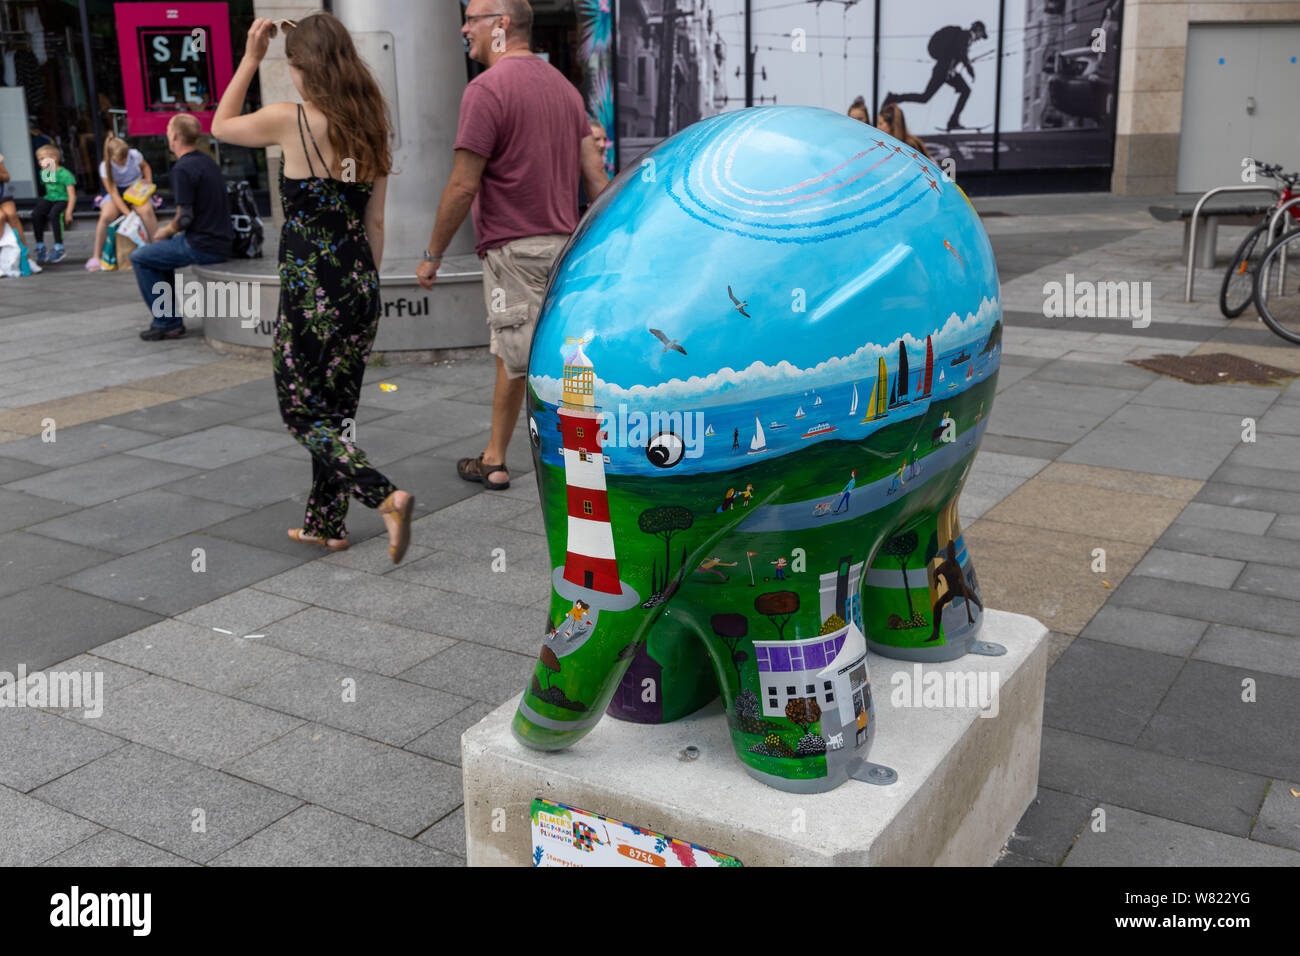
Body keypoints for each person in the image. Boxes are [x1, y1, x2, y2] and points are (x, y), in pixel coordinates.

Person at [211, 14, 415, 562]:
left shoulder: (289, 120)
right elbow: (375, 224)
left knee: (301, 412)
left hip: (310, 292)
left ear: (304, 68)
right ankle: (326, 523)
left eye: (291, 65)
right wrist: (365, 289)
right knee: (336, 412)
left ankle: (384, 496)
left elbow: (220, 125)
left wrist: (252, 56)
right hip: (359, 285)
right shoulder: (370, 126)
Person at [417, 0, 609, 492]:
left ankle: (500, 459)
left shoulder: (485, 90)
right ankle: (552, 451)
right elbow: (595, 179)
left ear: (501, 25)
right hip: (563, 246)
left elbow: (462, 185)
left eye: (472, 19)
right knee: (559, 353)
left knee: (514, 354)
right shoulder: (565, 90)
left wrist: (433, 253)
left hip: (514, 249)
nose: (464, 29)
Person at [132, 114, 231, 340]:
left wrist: (165, 231)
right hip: (220, 238)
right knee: (156, 256)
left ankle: (166, 321)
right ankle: (169, 321)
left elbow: (185, 218)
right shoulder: (208, 161)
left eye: (168, 130)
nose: (167, 134)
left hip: (202, 244)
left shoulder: (182, 169)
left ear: (175, 136)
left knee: (140, 257)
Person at [882, 21, 987, 132]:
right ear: (978, 30)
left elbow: (958, 54)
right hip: (945, 71)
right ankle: (953, 122)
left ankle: (894, 97)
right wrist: (970, 69)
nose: (980, 39)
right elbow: (962, 53)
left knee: (925, 97)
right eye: (981, 35)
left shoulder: (962, 36)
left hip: (943, 70)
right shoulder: (966, 36)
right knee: (964, 91)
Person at [87, 132, 159, 271]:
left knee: (146, 211)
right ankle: (96, 255)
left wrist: (148, 181)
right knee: (106, 216)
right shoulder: (104, 166)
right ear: (112, 157)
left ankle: (157, 247)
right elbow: (113, 193)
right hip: (117, 193)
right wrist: (128, 214)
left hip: (136, 188)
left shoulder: (134, 154)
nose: (124, 160)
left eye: (125, 157)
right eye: (120, 159)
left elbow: (145, 166)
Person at [32, 144, 76, 264]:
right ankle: (40, 245)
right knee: (36, 213)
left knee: (54, 214)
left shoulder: (64, 174)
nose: (40, 162)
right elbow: (48, 190)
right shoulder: (45, 173)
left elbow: (71, 195)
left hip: (63, 199)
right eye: (38, 160)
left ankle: (59, 246)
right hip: (50, 198)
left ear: (54, 159)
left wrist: (68, 212)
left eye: (42, 159)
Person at [0, 152, 28, 250]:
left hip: (2, 195)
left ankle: (25, 256)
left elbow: (6, 177)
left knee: (12, 216)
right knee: (1, 217)